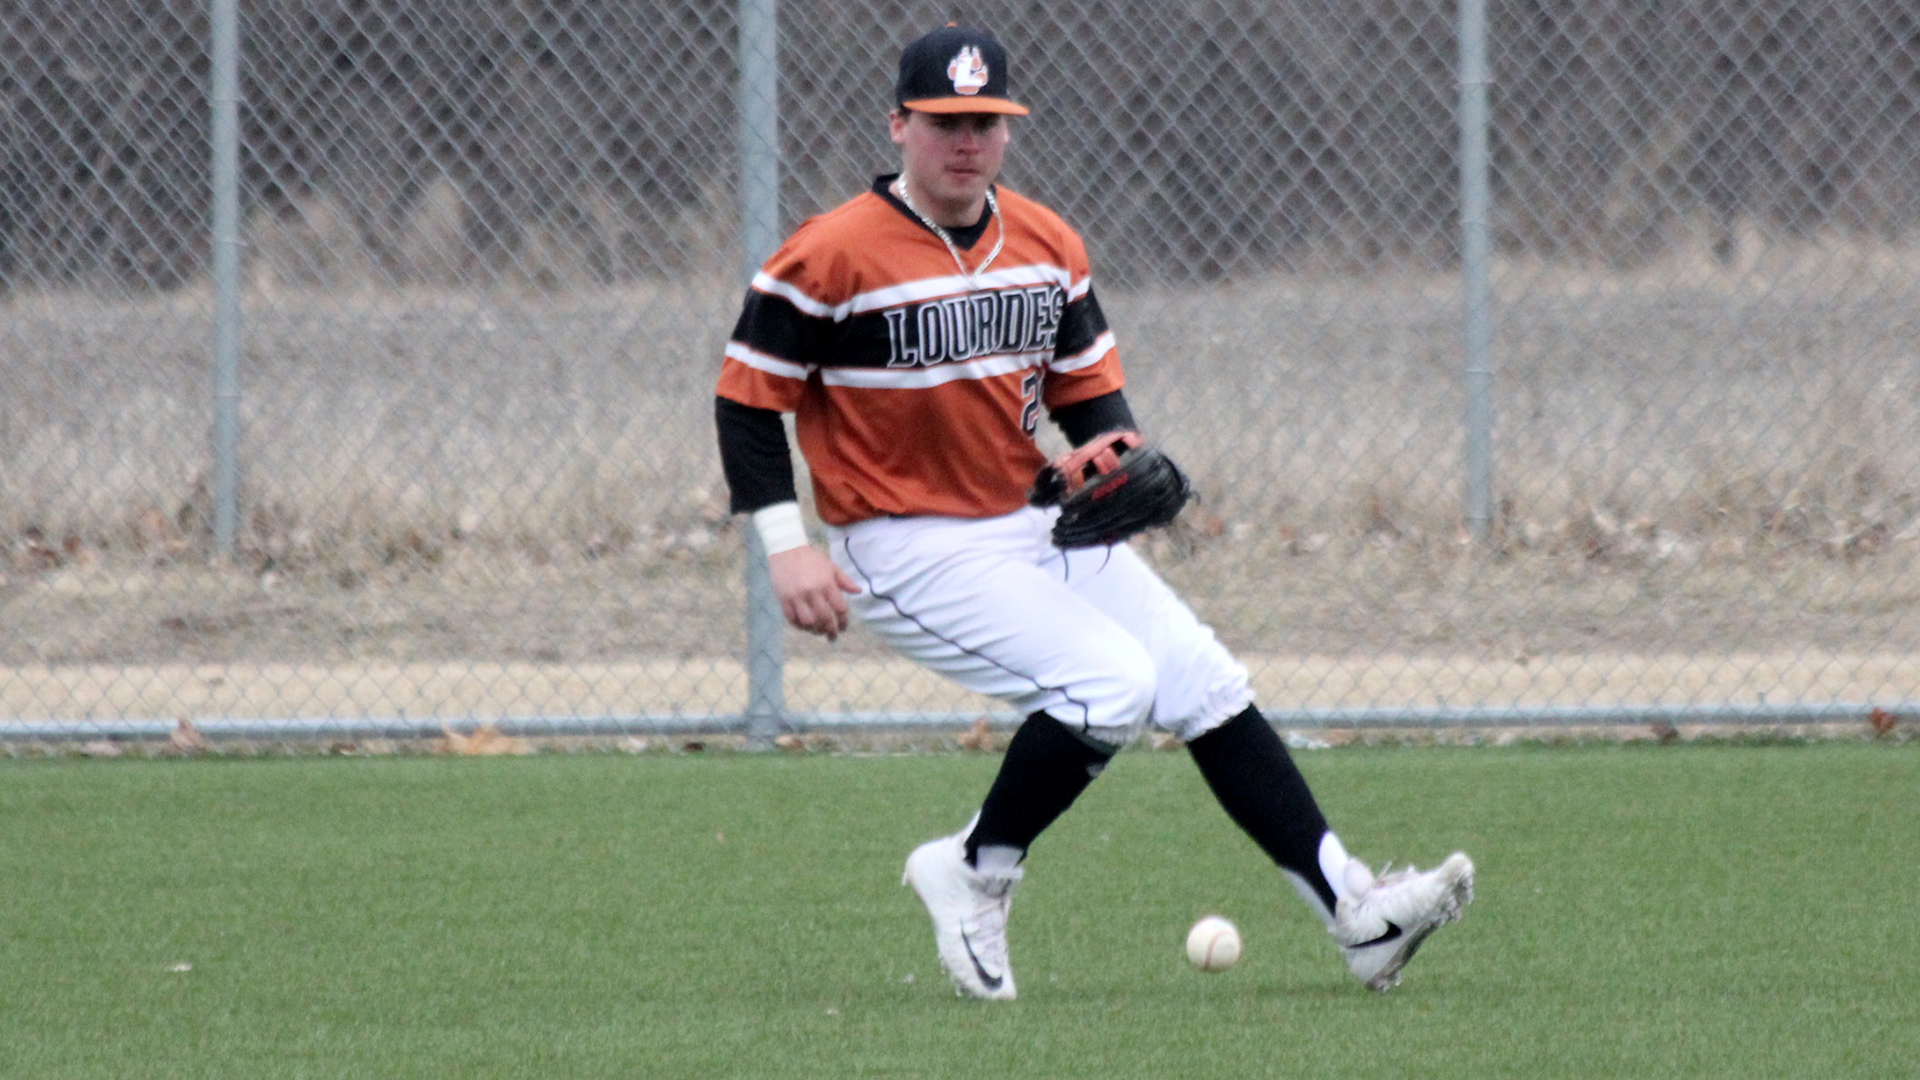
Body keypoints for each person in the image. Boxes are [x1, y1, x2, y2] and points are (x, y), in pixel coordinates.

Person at [714, 24, 1474, 1000]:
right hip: (903, 543)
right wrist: (787, 546)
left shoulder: (1048, 246)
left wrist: (1115, 457)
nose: (966, 140)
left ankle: (1356, 914)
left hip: (1030, 523)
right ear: (898, 124)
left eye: (986, 122)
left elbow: (1088, 401)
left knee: (1199, 674)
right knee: (1108, 683)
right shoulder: (827, 257)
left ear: (1008, 131)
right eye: (944, 121)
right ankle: (974, 871)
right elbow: (748, 397)